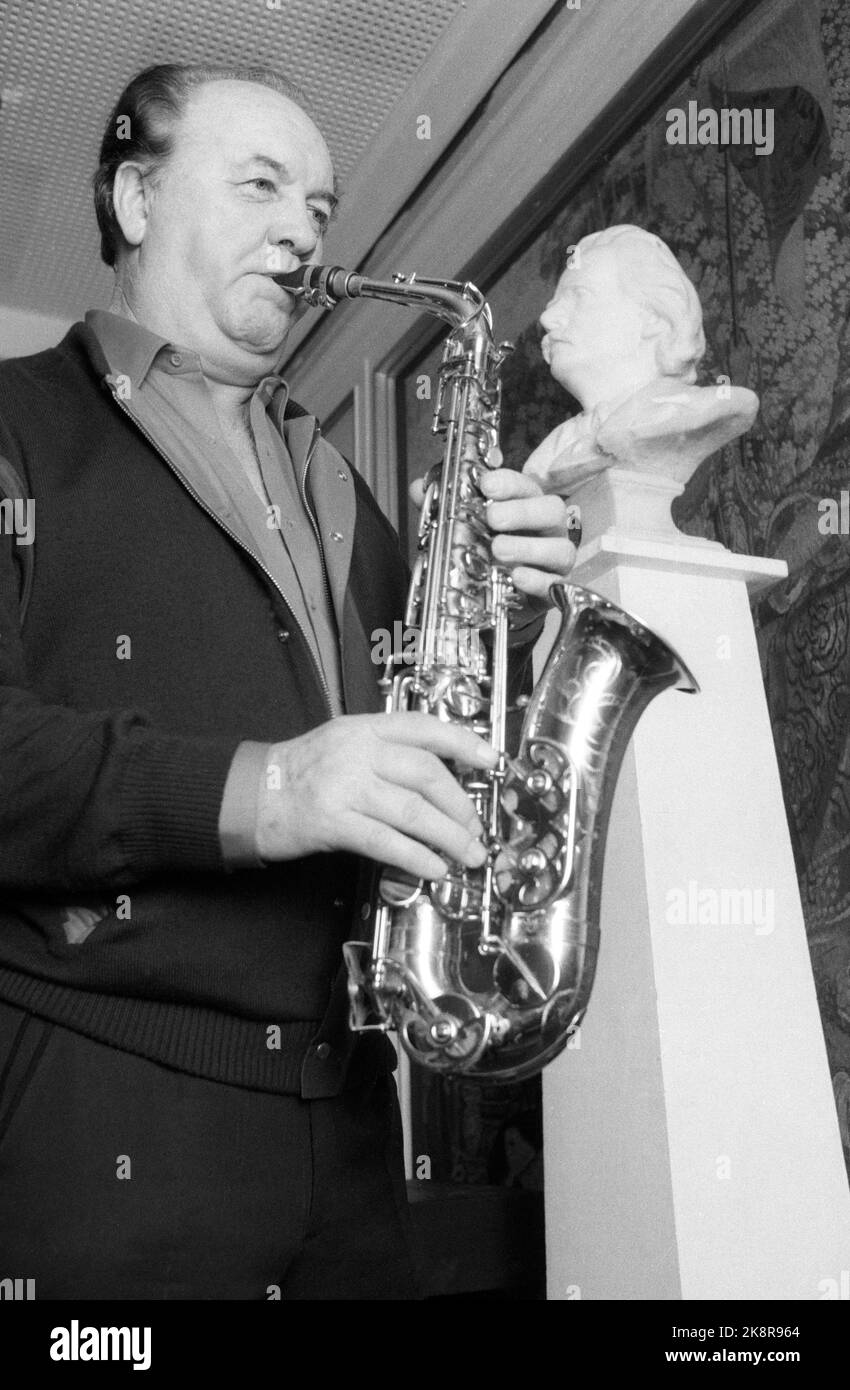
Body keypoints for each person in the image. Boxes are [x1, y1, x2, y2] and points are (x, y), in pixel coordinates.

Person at [0, 62, 577, 1300]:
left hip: (349, 1116)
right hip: (103, 1103)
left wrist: (500, 627)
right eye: (259, 184)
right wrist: (267, 788)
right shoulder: (13, 427)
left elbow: (410, 745)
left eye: (319, 207)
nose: (305, 231)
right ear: (137, 198)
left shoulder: (336, 481)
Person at [524, 224, 758, 494]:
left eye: (578, 296)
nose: (547, 319)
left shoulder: (699, 410)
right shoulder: (548, 455)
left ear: (654, 317)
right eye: (554, 305)